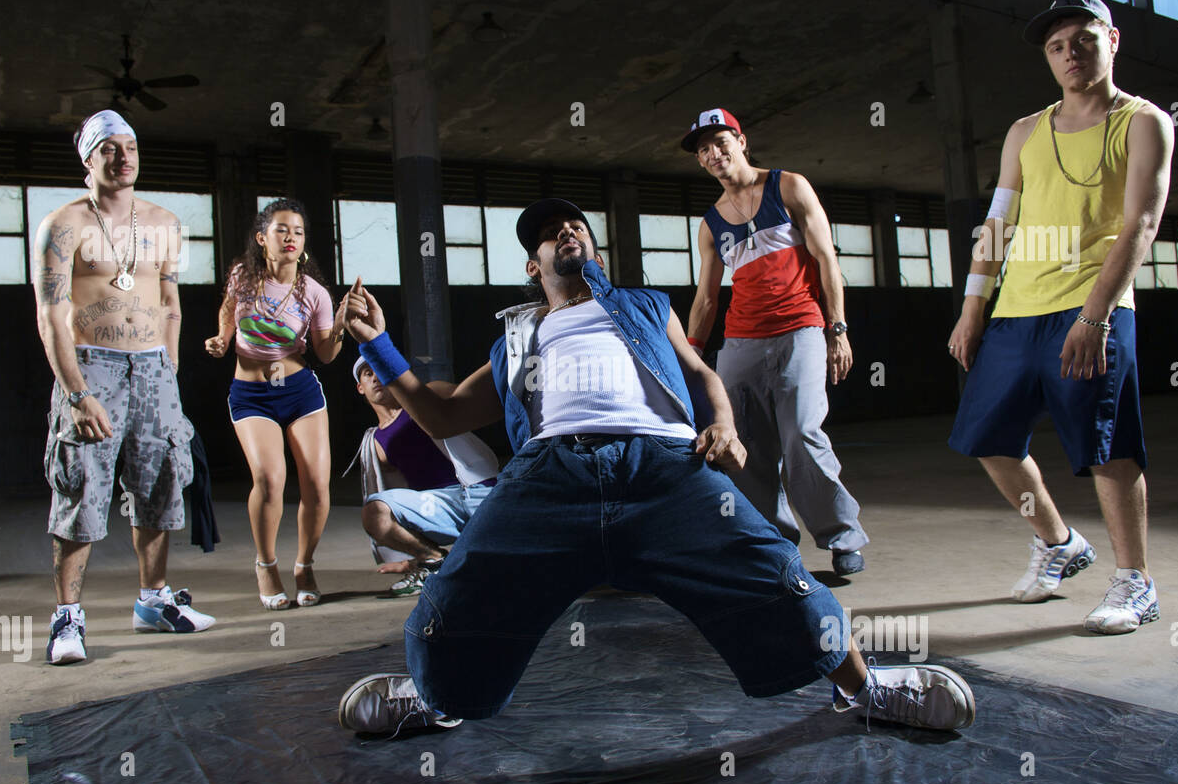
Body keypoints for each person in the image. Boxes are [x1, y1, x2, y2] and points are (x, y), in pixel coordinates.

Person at [335, 198, 975, 736]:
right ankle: (438, 696)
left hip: (664, 463)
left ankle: (864, 691)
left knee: (775, 572)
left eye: (577, 228)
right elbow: (442, 414)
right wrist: (377, 344)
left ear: (597, 252)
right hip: (548, 472)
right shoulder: (521, 336)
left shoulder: (645, 306)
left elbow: (700, 374)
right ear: (535, 266)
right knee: (459, 587)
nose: (568, 233)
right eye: (552, 235)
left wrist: (721, 422)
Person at [946, 0, 1174, 634]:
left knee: (1107, 448)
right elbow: (996, 224)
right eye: (1056, 46)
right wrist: (972, 308)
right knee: (988, 439)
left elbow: (1142, 223)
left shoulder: (1144, 121)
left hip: (1092, 306)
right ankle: (1059, 543)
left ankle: (1136, 583)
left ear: (1112, 41)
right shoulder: (1025, 131)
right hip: (1016, 310)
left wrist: (1096, 316)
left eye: (1083, 39)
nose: (1070, 53)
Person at [34, 109, 214, 665]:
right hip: (94, 369)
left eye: (130, 145)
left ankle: (154, 602)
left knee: (161, 482)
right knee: (81, 488)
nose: (123, 156)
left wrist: (170, 368)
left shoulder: (165, 221)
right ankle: (68, 619)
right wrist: (77, 392)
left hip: (155, 369)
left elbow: (170, 301)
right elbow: (50, 314)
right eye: (109, 148)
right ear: (88, 159)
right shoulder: (63, 225)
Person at [682, 108, 869, 577]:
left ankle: (842, 537)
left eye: (720, 141)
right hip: (741, 341)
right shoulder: (710, 224)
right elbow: (706, 298)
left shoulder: (789, 186)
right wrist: (688, 354)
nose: (713, 153)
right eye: (704, 149)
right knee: (743, 447)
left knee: (803, 435)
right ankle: (773, 543)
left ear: (741, 141)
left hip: (801, 328)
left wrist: (838, 328)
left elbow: (827, 259)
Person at [205, 199, 349, 609]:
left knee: (318, 489)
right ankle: (266, 564)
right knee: (270, 480)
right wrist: (223, 337)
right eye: (282, 229)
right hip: (251, 393)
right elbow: (229, 309)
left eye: (298, 232)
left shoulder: (315, 293)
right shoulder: (243, 277)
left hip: (300, 391)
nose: (291, 237)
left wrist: (339, 324)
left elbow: (325, 354)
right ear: (262, 238)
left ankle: (304, 564)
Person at [347, 356, 499, 598]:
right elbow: (395, 491)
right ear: (360, 387)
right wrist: (410, 556)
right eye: (367, 374)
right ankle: (433, 561)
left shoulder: (430, 394)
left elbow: (477, 399)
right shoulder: (375, 443)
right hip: (438, 506)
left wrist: (497, 361)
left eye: (380, 369)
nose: (375, 377)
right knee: (374, 511)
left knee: (510, 577)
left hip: (482, 493)